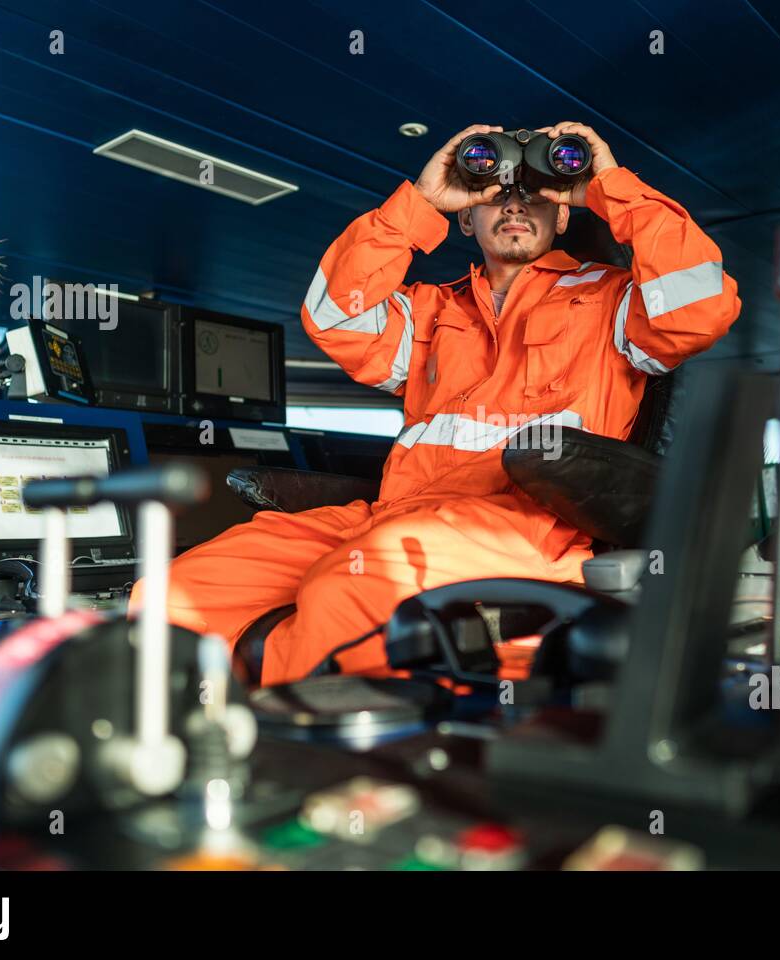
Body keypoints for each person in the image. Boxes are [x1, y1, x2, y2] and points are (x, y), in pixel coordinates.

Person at [156, 122, 742, 685]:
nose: (515, 206)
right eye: (495, 195)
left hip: (525, 527)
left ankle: (309, 762)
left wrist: (610, 186)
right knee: (185, 586)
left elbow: (700, 306)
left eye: (537, 195)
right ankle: (179, 743)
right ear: (467, 214)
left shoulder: (615, 304)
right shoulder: (428, 311)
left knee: (346, 589)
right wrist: (420, 201)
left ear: (564, 212)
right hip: (393, 516)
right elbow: (334, 315)